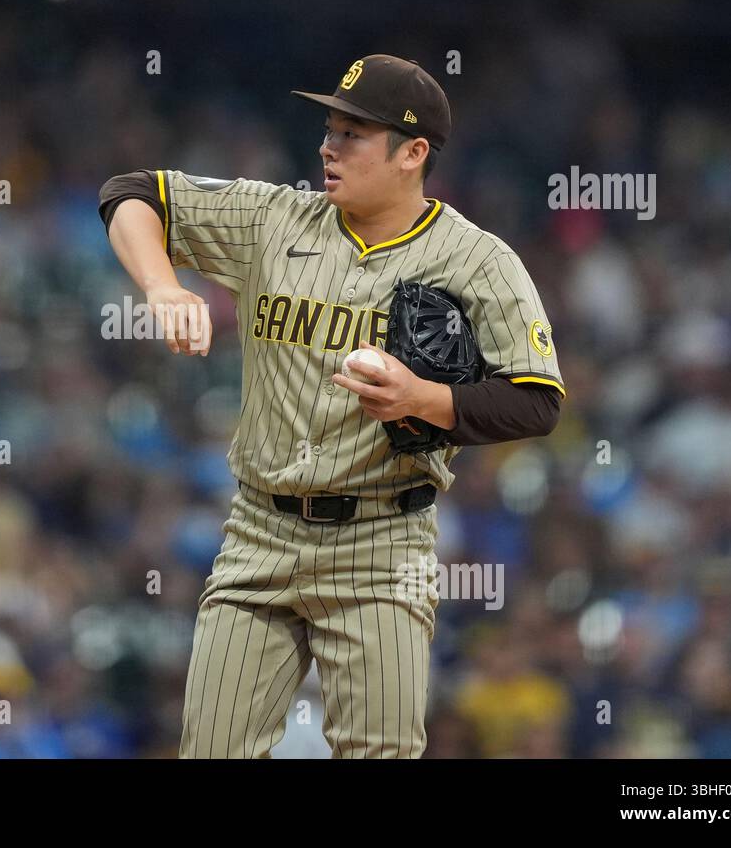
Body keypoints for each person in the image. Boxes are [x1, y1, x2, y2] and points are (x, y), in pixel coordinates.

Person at [97, 54, 564, 758]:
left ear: (413, 152)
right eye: (329, 128)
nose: (328, 145)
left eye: (353, 133)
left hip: (384, 539)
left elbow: (537, 401)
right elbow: (131, 192)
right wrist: (163, 287)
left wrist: (426, 398)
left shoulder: (476, 258)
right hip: (260, 531)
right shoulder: (275, 219)